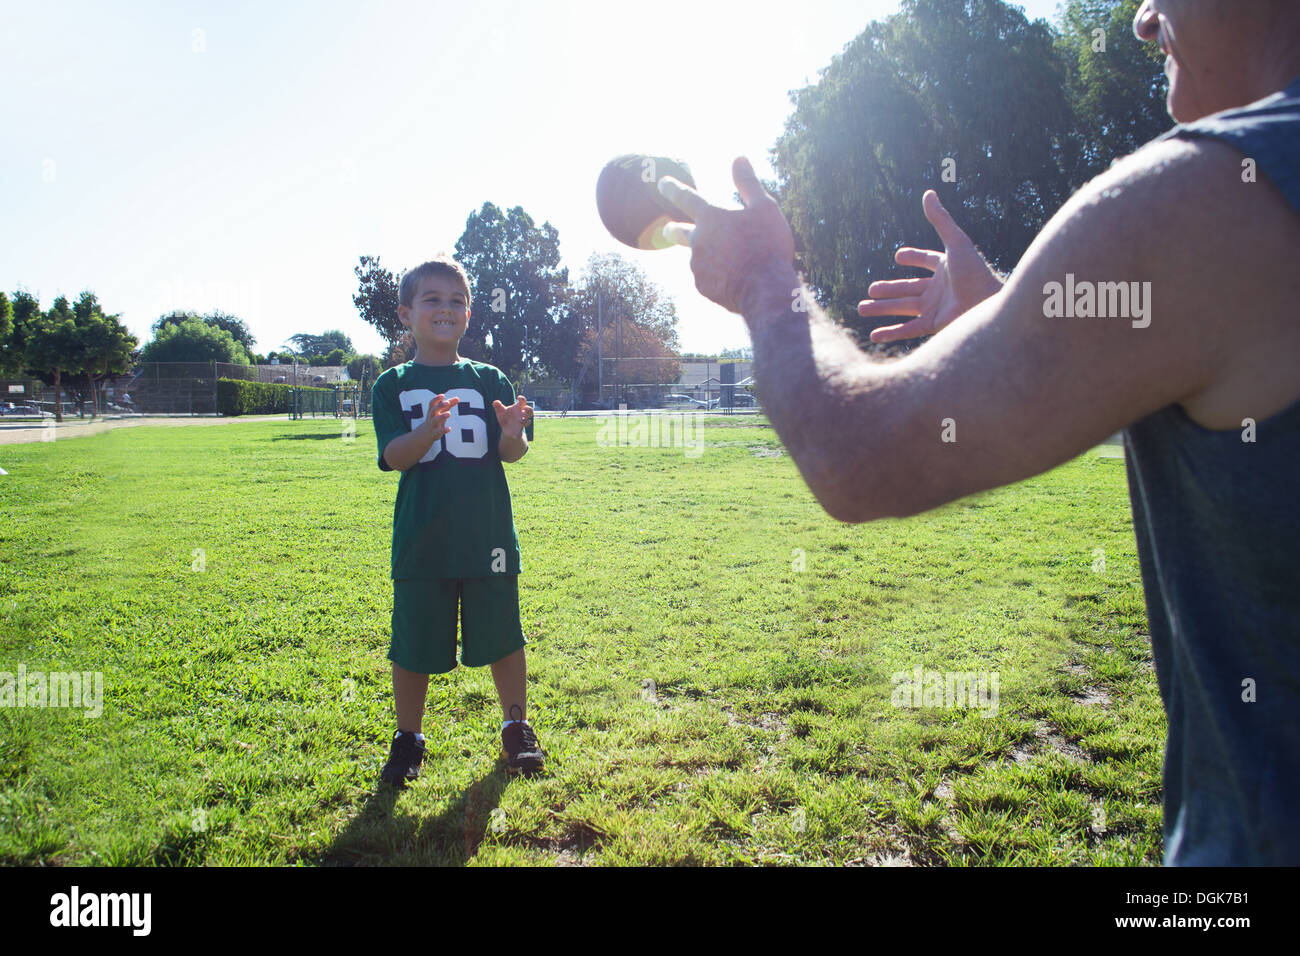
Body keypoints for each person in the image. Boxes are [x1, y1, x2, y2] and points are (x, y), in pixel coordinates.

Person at [657, 0, 1300, 865]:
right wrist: (1013, 322)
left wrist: (763, 279)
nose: (1145, 22)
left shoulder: (1206, 198)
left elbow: (857, 456)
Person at [371, 255, 543, 785]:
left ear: (469, 316)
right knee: (415, 641)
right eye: (432, 300)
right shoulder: (392, 385)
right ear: (406, 313)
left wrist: (513, 431)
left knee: (503, 635)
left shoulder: (489, 377)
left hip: (488, 535)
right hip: (424, 539)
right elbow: (395, 457)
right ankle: (408, 738)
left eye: (457, 302)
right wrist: (426, 432)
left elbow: (511, 453)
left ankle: (516, 727)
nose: (446, 310)